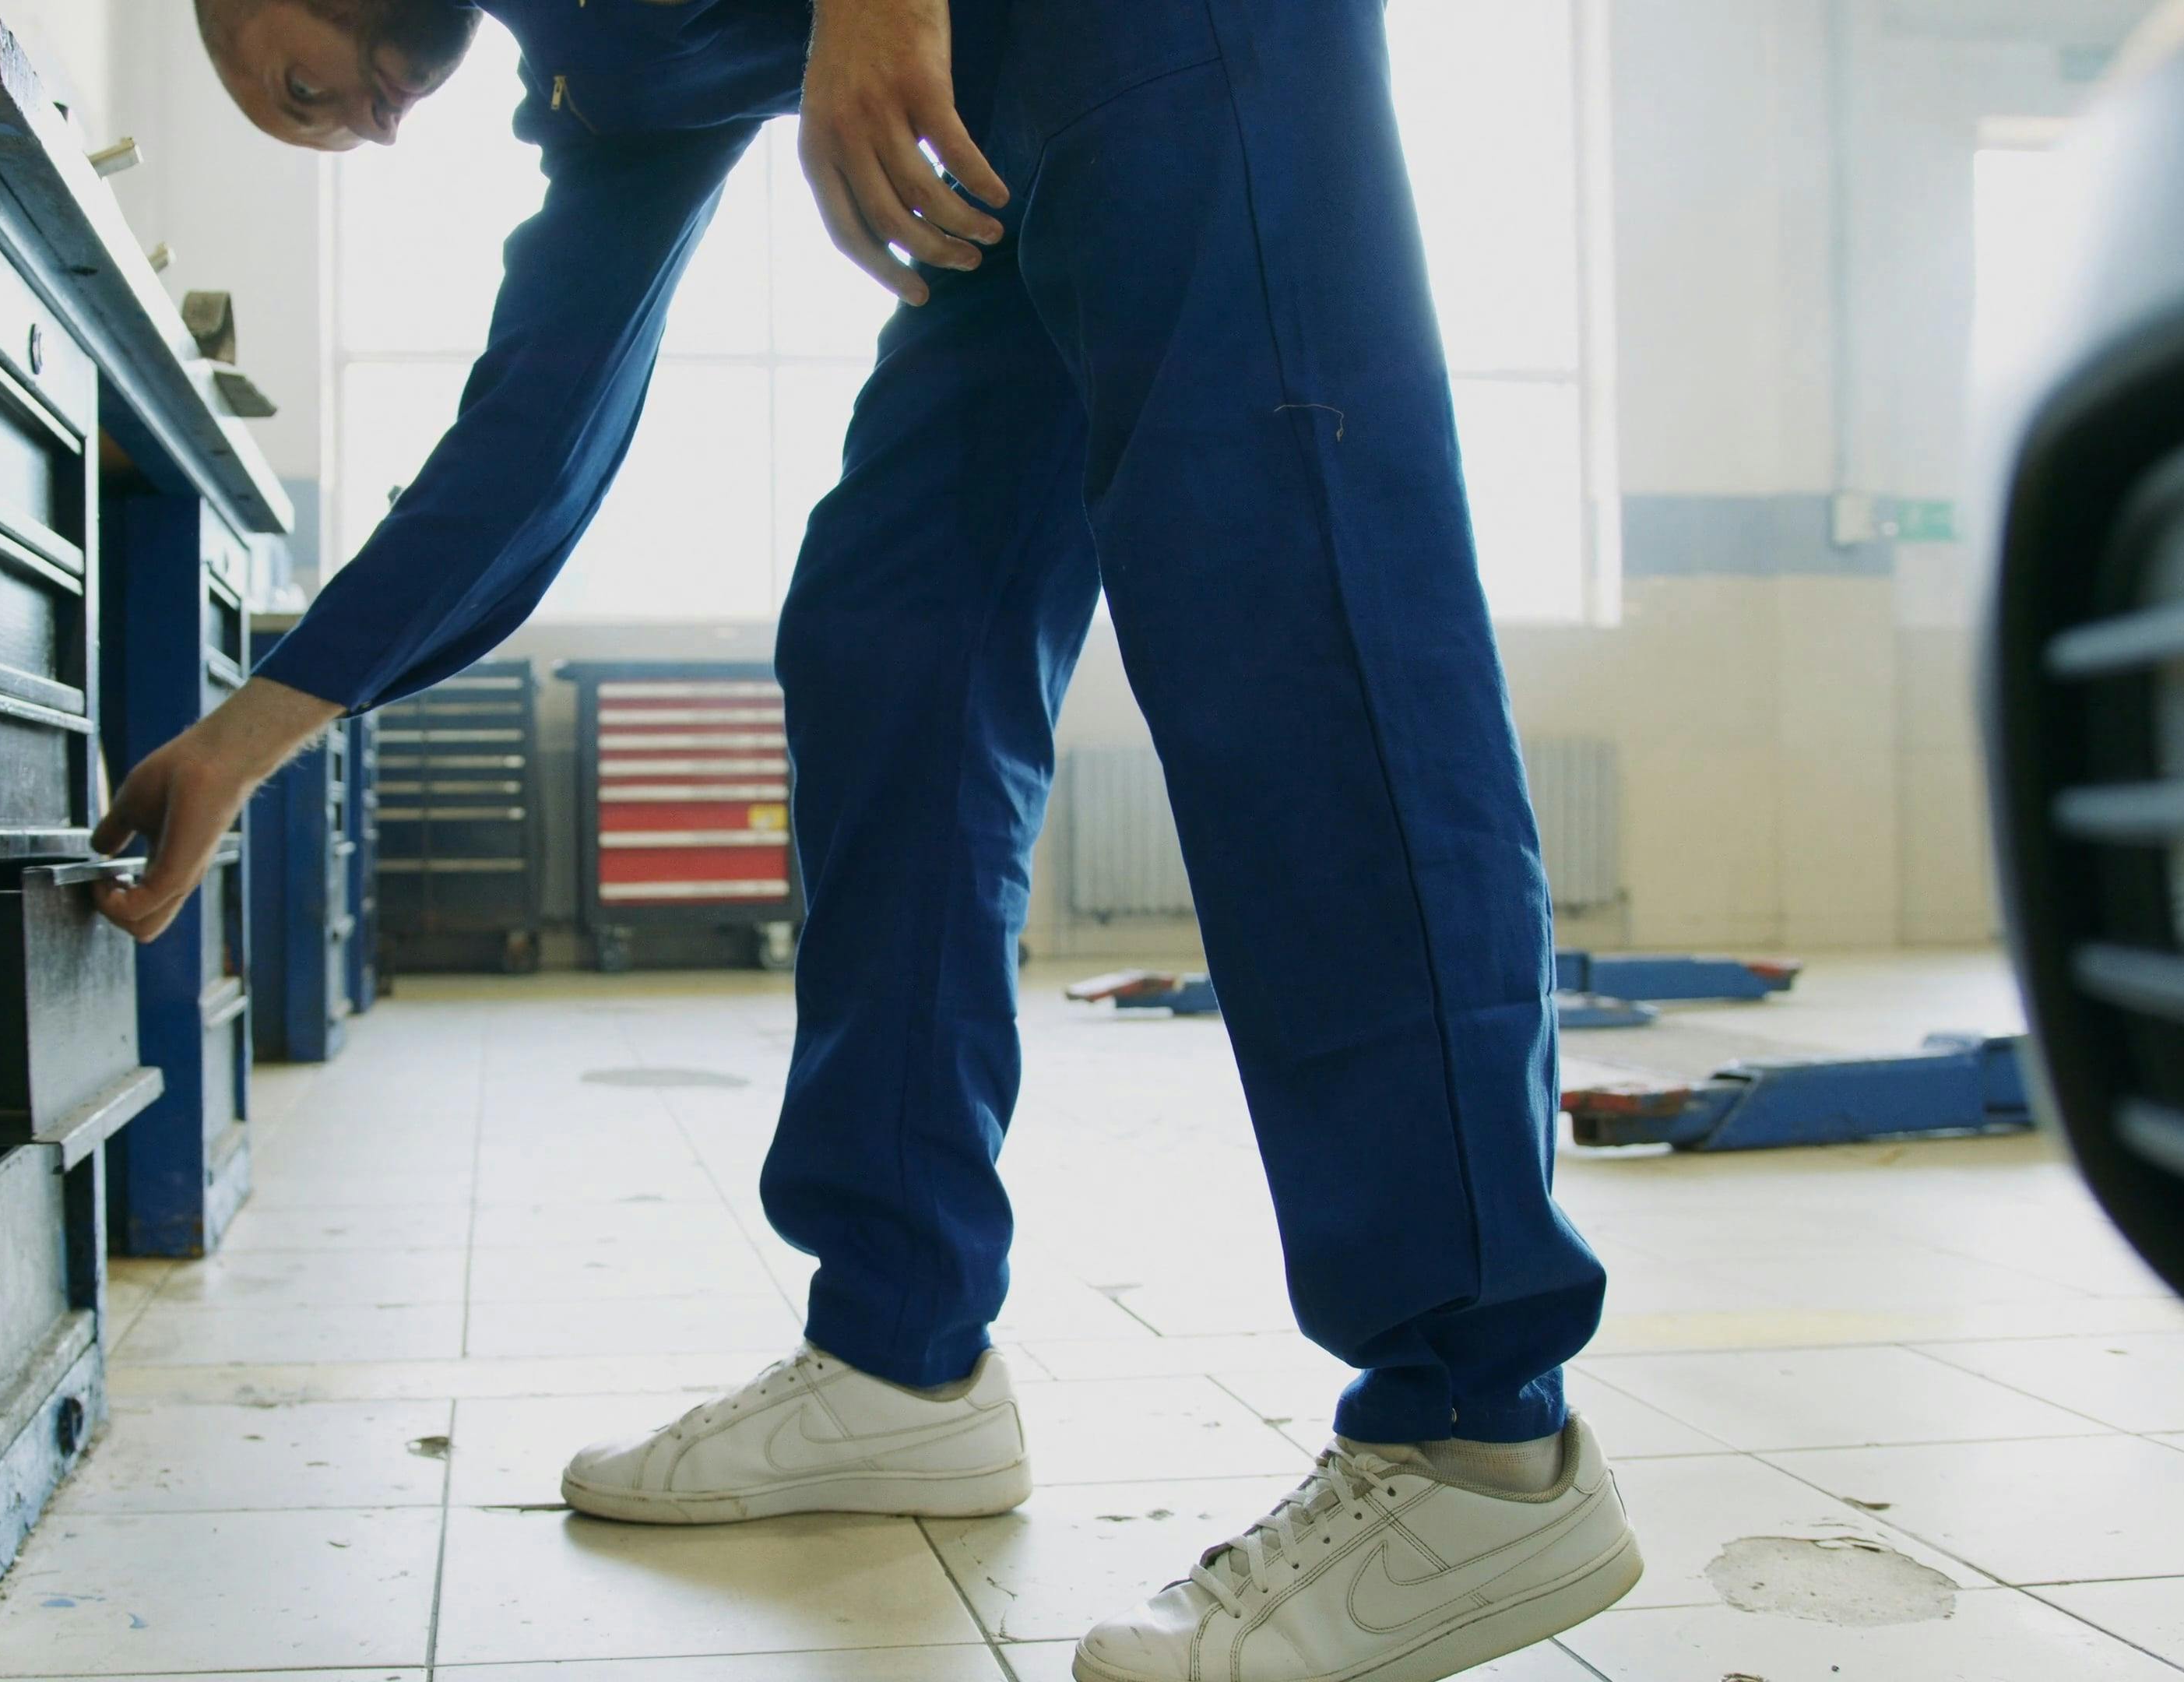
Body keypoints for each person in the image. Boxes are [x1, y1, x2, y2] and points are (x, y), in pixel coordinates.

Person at [97, 1, 1642, 1675]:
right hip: (1005, 124)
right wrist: (245, 741)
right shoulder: (611, 63)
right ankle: (903, 1353)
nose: (374, 124)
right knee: (894, 628)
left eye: (307, 87)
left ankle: (1482, 1434)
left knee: (1284, 566)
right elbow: (533, 432)